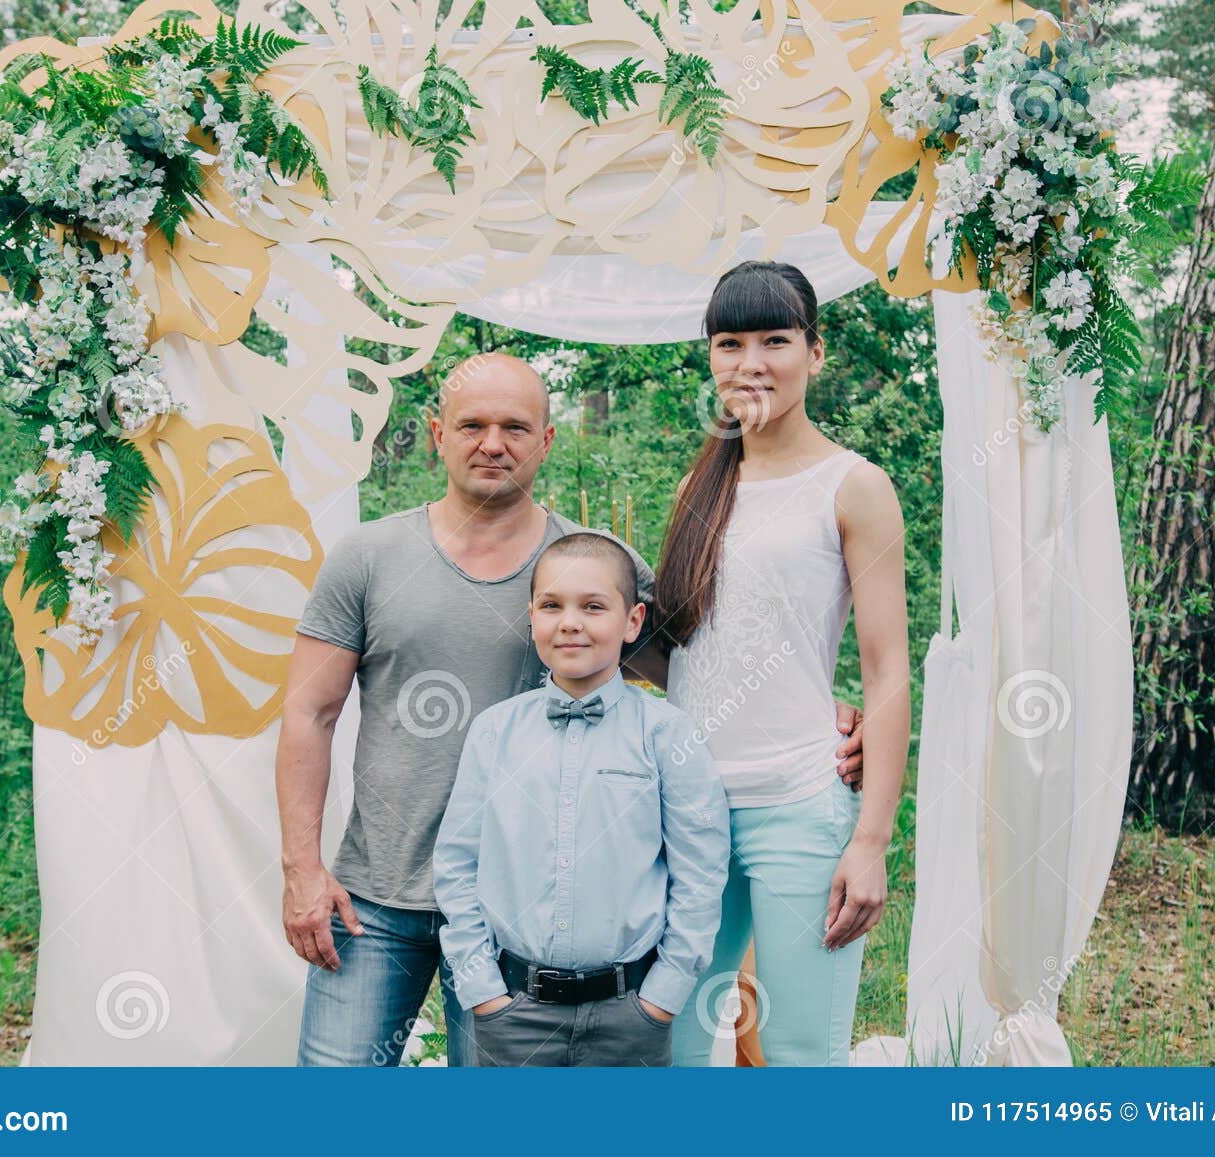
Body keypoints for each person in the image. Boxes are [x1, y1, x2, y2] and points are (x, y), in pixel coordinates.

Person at [276, 350, 865, 1067]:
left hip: (519, 921)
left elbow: (696, 668)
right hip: (375, 895)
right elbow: (309, 713)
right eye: (472, 425)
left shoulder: (591, 565)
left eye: (516, 427)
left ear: (547, 440)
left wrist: (810, 709)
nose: (493, 443)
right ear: (437, 433)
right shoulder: (367, 557)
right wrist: (301, 868)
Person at [650, 260, 912, 1066]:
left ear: (816, 352)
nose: (751, 362)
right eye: (730, 343)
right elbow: (682, 648)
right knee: (680, 1047)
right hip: (688, 809)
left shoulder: (855, 486)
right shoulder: (703, 482)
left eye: (776, 339)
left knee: (801, 1051)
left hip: (800, 803)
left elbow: (889, 670)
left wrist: (871, 839)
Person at [433, 534, 729, 1066]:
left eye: (593, 606)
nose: (570, 622)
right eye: (552, 606)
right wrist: (483, 991)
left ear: (633, 621)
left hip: (630, 1016)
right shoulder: (493, 733)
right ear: (531, 618)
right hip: (514, 1013)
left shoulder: (667, 735)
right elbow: (458, 864)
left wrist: (661, 999)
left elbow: (700, 873)